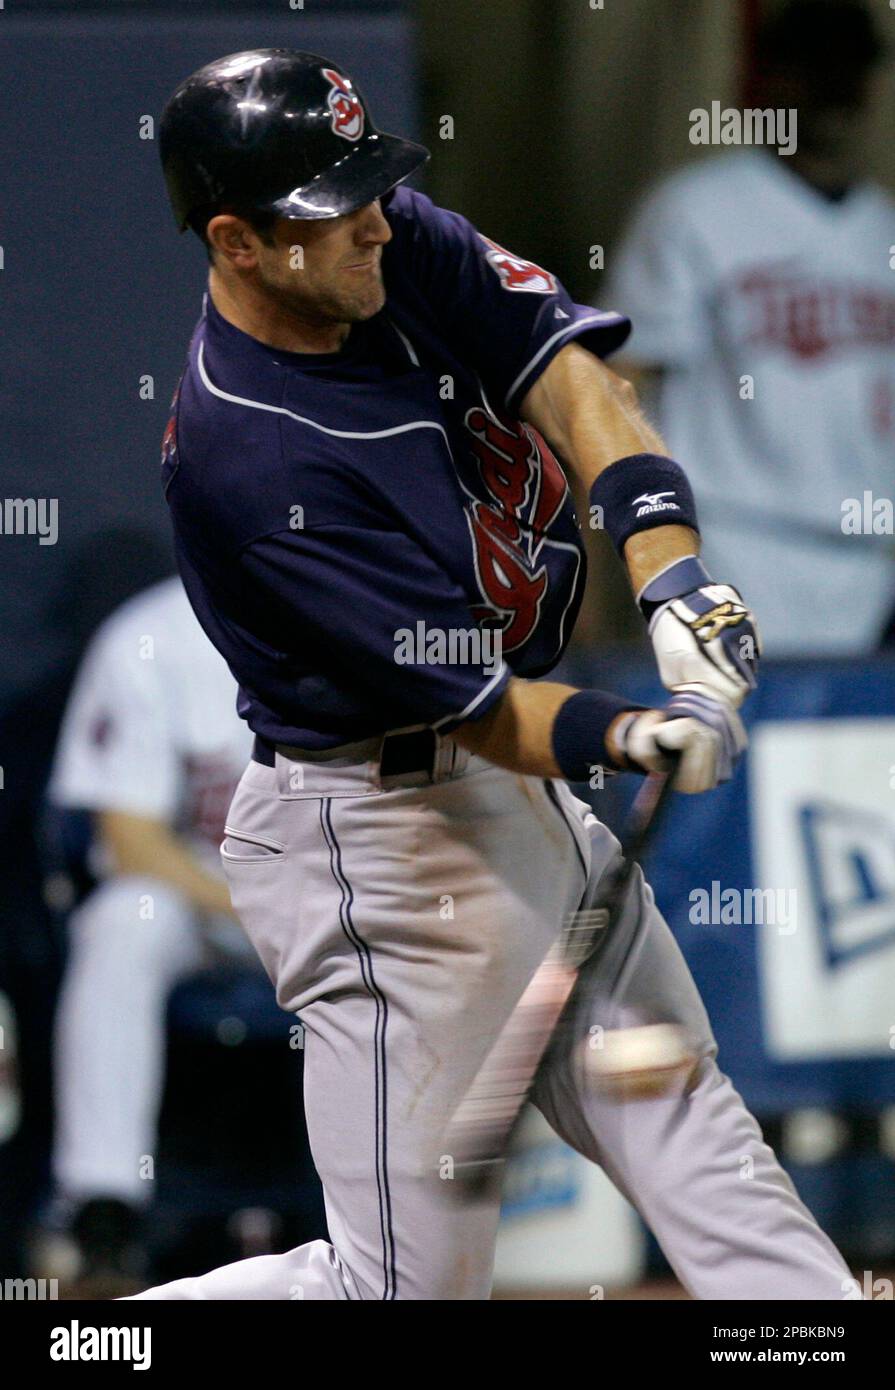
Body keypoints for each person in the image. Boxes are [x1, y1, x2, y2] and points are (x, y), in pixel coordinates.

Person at [128, 48, 852, 1299]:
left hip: (518, 806)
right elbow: (469, 709)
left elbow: (573, 380)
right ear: (238, 242)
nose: (370, 225)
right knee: (398, 1292)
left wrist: (673, 577)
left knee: (699, 1142)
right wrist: (630, 737)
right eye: (325, 214)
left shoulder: (383, 236)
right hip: (377, 842)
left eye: (369, 191)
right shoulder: (244, 457)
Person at [604, 0, 895, 654]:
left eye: (851, 71)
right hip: (732, 547)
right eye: (814, 71)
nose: (836, 92)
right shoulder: (695, 208)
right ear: (769, 81)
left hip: (868, 564)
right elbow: (614, 386)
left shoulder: (883, 226)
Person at [45, 575, 253, 1290]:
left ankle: (423, 1212)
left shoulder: (368, 615)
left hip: (348, 899)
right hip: (214, 900)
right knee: (124, 921)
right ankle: (104, 1208)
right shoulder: (153, 636)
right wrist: (249, 908)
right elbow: (128, 838)